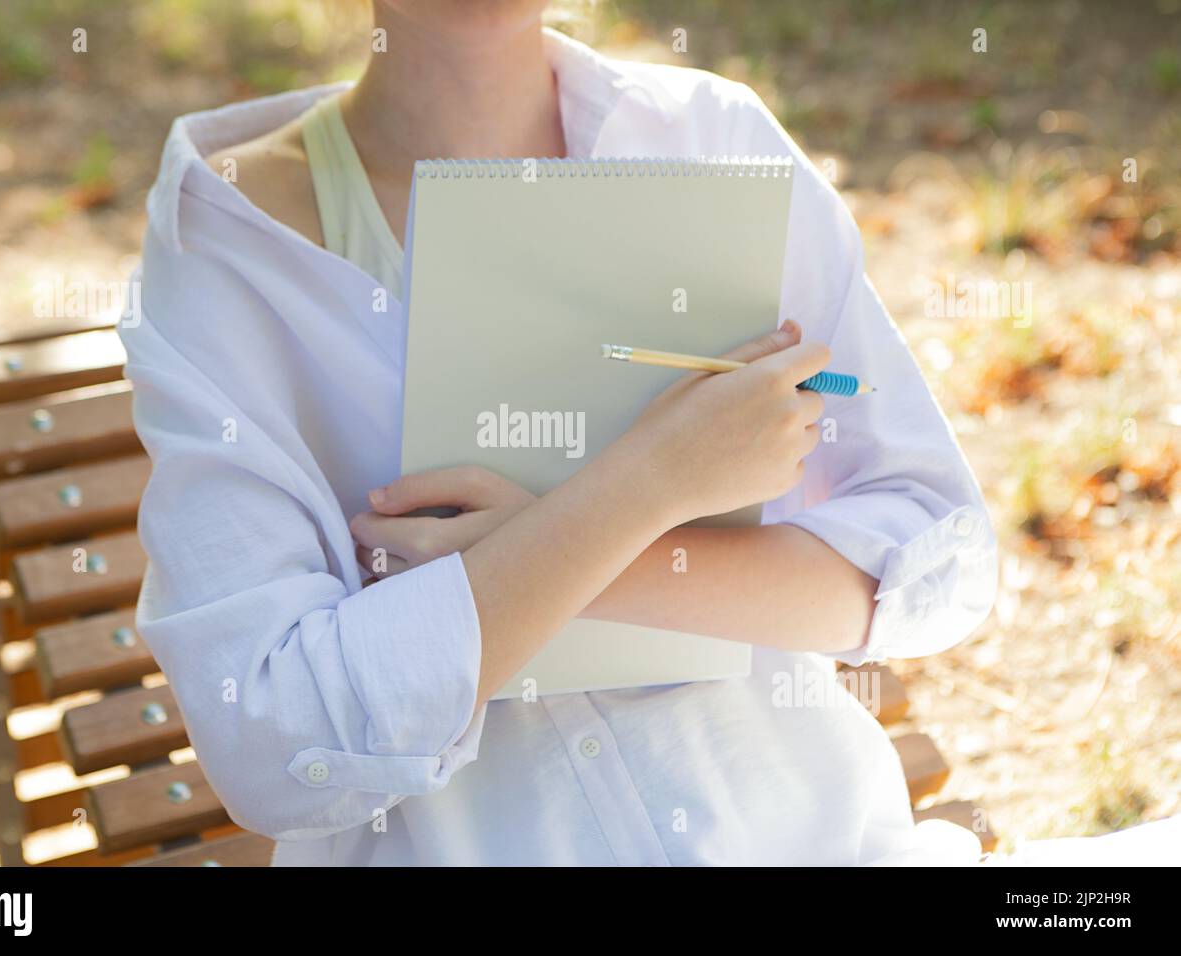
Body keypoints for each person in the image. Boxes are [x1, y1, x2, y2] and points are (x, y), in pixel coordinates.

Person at [120, 1, 998, 865]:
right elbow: (275, 746)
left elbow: (935, 561)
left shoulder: (706, 134)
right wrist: (648, 484)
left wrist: (561, 553)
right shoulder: (224, 237)